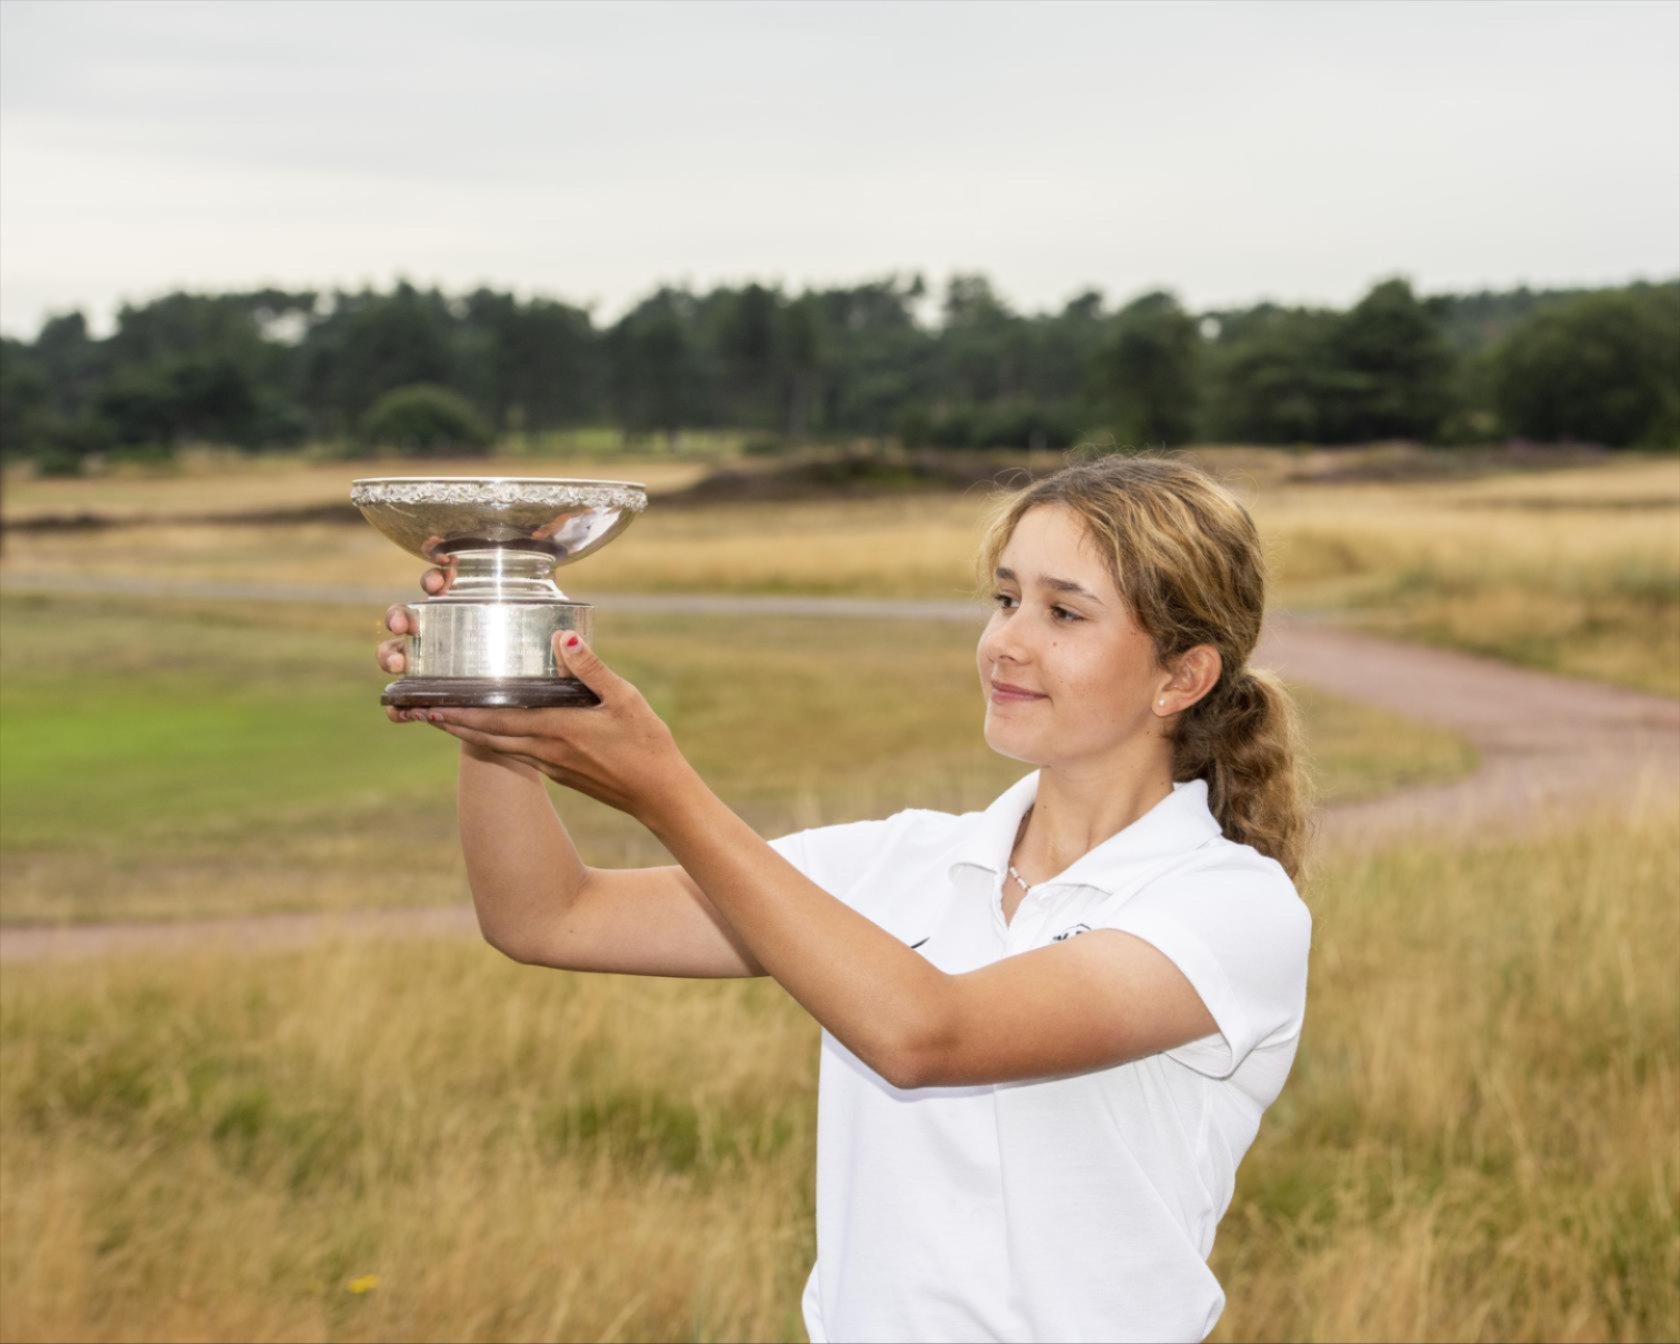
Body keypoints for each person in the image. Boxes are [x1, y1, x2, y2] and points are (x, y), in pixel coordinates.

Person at [374, 450, 1315, 1343]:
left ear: (1181, 676)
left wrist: (662, 785)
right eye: (1004, 598)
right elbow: (547, 917)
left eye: (1065, 615)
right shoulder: (900, 861)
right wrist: (492, 712)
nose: (1007, 644)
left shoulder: (1227, 907)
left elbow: (926, 1036)